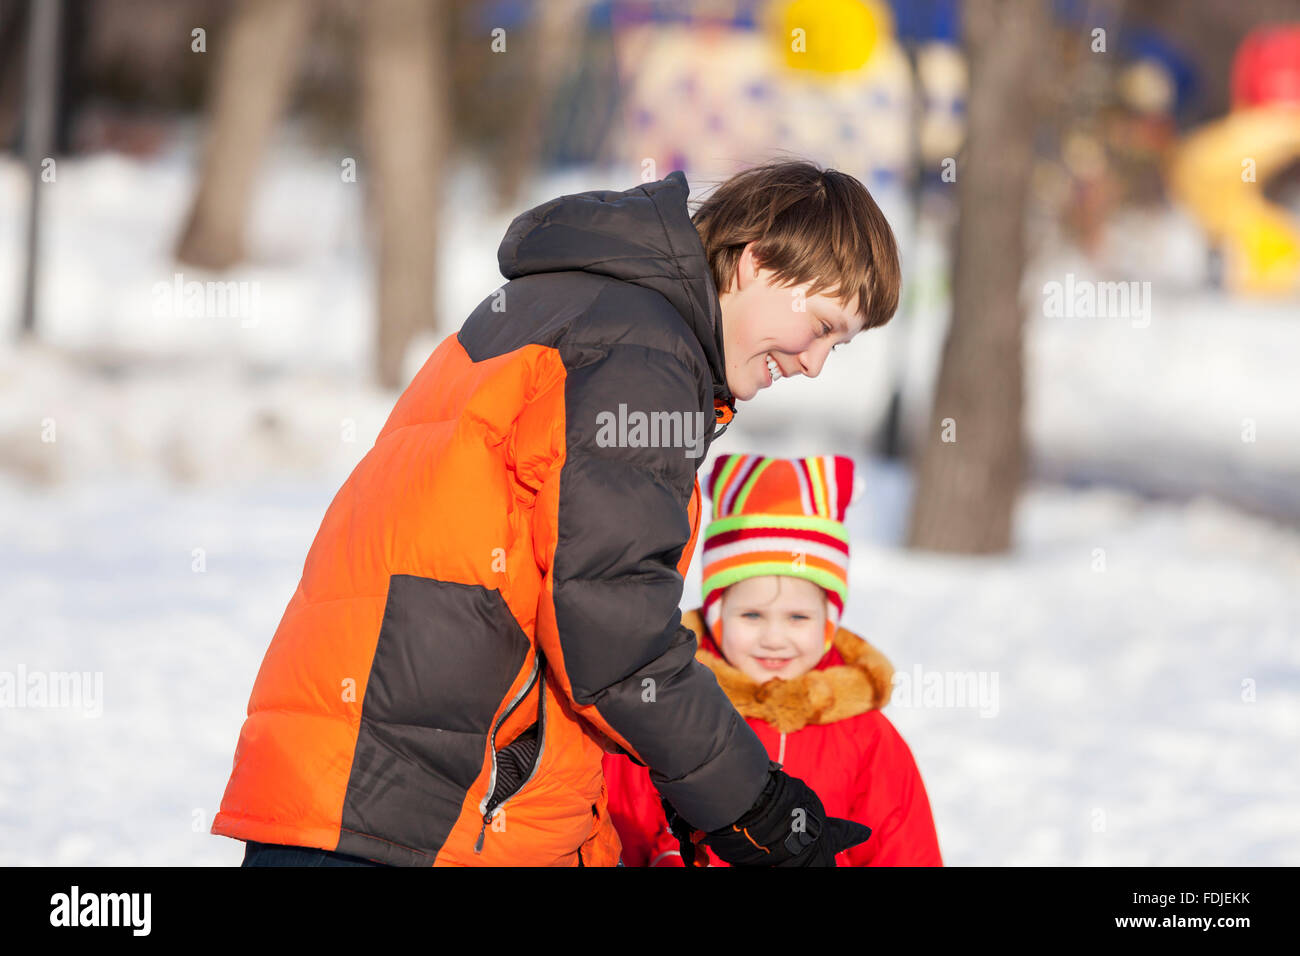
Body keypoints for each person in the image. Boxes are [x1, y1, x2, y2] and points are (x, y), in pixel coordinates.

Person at [212, 160, 901, 866]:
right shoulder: (642, 354)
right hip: (419, 802)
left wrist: (681, 782)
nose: (815, 363)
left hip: (361, 773)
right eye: (820, 325)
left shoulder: (578, 307)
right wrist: (748, 802)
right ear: (756, 263)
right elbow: (611, 628)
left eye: (837, 345)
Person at [605, 453, 944, 867]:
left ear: (828, 621)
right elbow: (616, 827)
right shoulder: (669, 711)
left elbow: (904, 849)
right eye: (751, 615)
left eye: (798, 617)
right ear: (716, 613)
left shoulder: (867, 739)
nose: (774, 638)